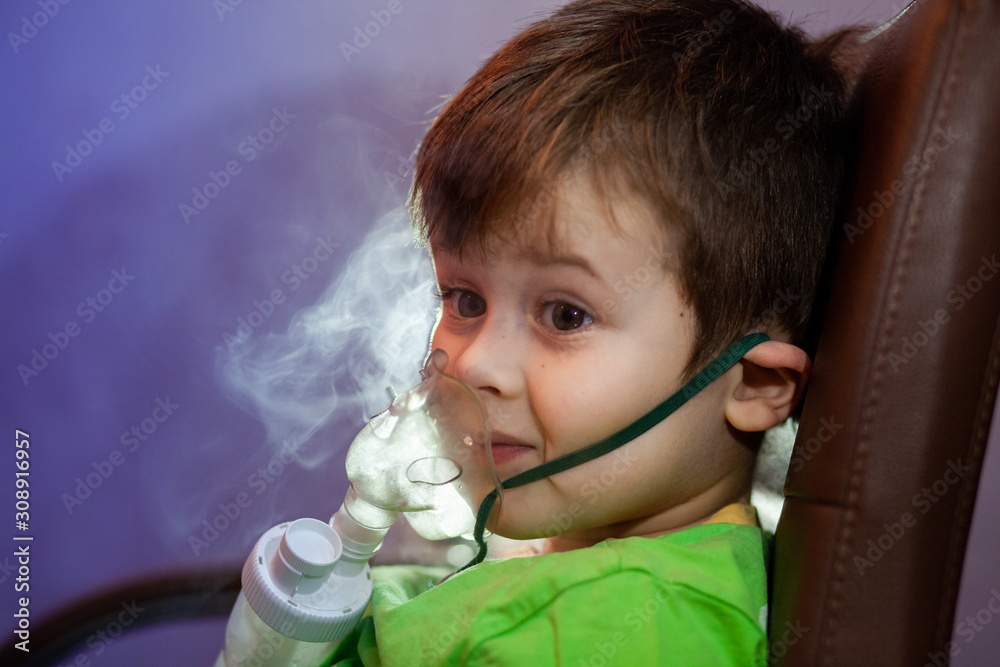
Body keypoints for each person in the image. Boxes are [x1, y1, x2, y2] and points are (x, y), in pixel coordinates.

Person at [331, 0, 857, 664]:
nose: (474, 364)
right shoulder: (571, 564)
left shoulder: (632, 628)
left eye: (565, 315)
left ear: (752, 383)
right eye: (465, 299)